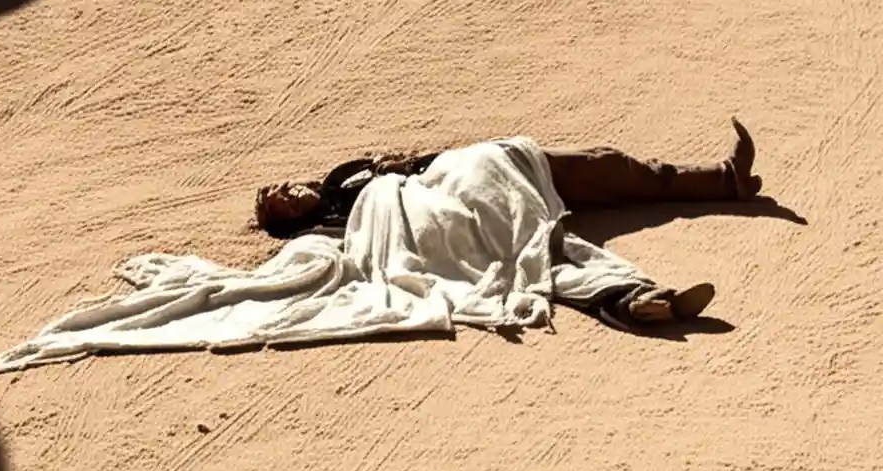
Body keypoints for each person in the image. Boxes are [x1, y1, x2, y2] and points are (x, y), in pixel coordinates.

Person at [252, 118, 762, 329]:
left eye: (283, 187)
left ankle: (724, 179)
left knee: (603, 163)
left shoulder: (340, 176)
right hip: (466, 207)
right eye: (282, 205)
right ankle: (633, 299)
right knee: (541, 251)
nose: (289, 193)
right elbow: (376, 245)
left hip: (491, 167)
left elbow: (417, 162)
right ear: (291, 222)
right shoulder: (336, 224)